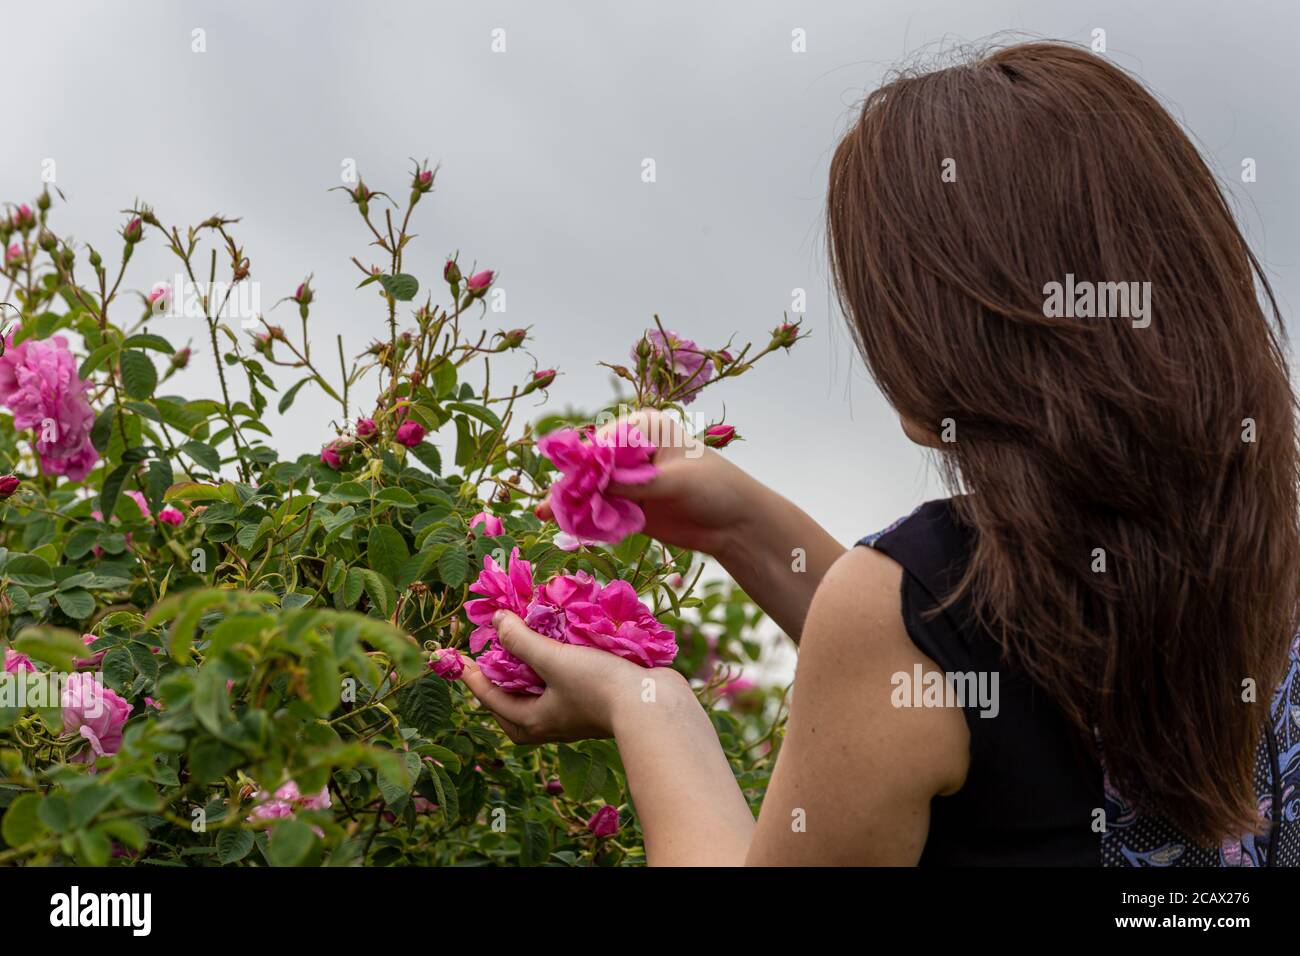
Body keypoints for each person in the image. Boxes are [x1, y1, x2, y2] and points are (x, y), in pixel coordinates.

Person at [463, 41, 1300, 866]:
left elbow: (930, 653)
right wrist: (743, 530)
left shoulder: (914, 600)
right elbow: (964, 676)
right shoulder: (1259, 555)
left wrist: (647, 704)